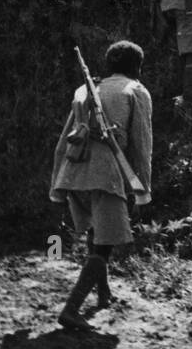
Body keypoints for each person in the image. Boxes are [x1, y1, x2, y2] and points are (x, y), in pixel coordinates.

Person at [49, 40, 153, 331]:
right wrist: (141, 189)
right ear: (136, 67)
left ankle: (103, 293)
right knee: (104, 246)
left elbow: (64, 138)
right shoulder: (136, 91)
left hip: (74, 173)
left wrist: (58, 183)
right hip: (105, 175)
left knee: (98, 233)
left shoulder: (86, 89)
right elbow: (141, 145)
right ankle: (71, 310)